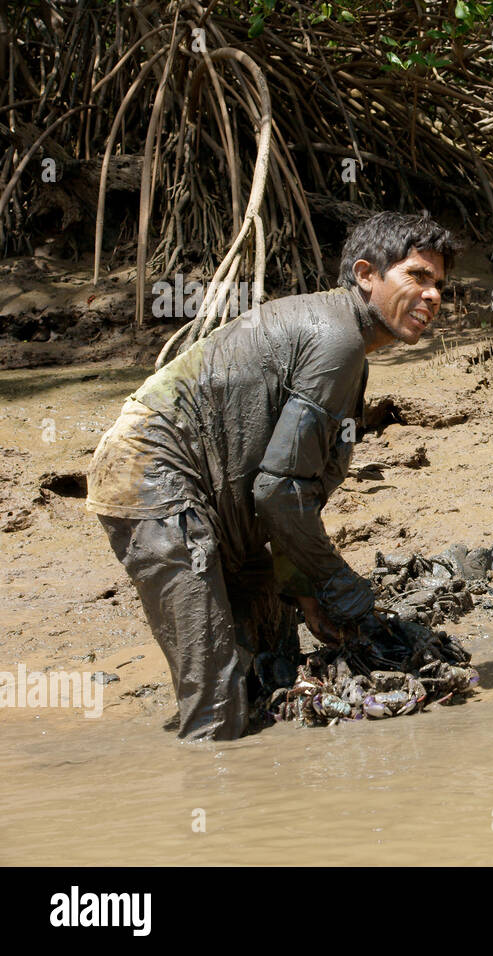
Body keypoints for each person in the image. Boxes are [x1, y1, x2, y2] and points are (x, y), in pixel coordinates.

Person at [86, 211, 460, 740]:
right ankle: (209, 785)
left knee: (272, 677)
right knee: (215, 709)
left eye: (439, 284)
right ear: (365, 274)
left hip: (220, 505)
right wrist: (335, 580)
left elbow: (292, 487)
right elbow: (279, 490)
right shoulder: (337, 342)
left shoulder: (348, 348)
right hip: (155, 480)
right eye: (417, 276)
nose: (433, 296)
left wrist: (305, 590)